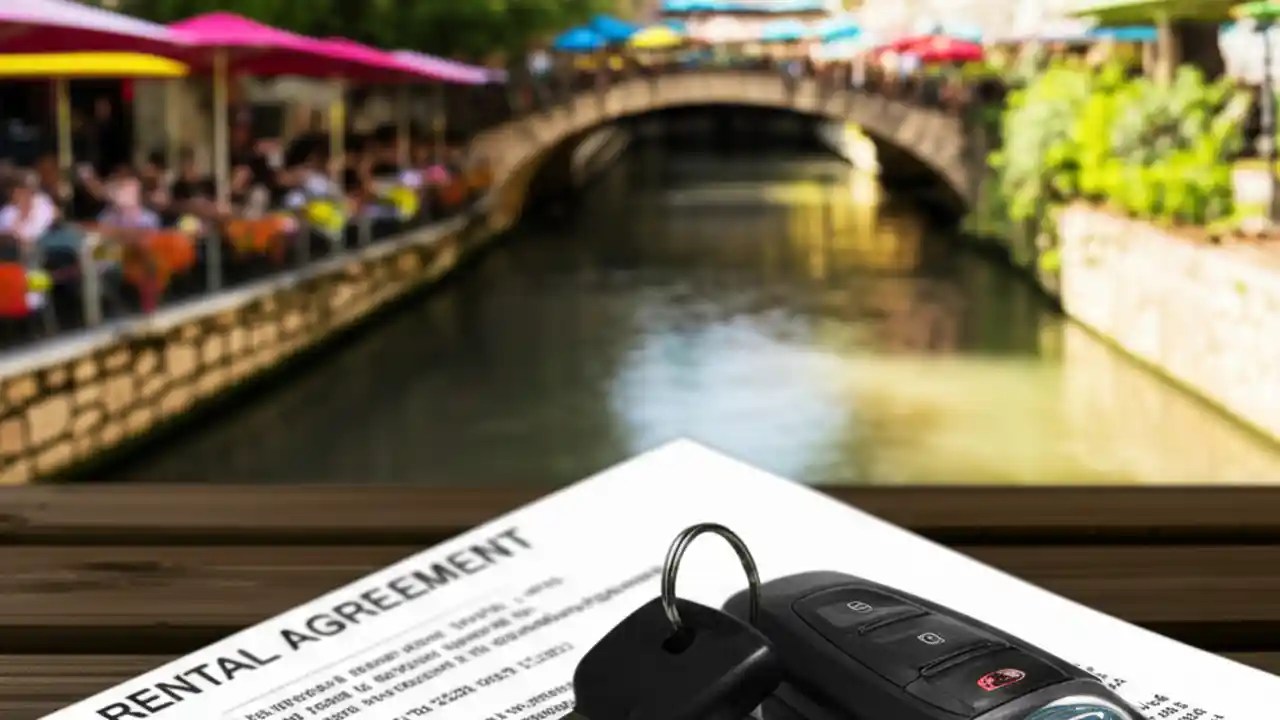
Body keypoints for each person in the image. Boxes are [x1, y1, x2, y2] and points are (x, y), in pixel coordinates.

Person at [0, 173, 58, 261]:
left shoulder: (43, 202)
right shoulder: (6, 212)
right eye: (16, 192)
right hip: (17, 251)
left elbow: (53, 221)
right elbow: (6, 236)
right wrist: (21, 216)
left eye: (23, 190)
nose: (21, 195)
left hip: (45, 245)